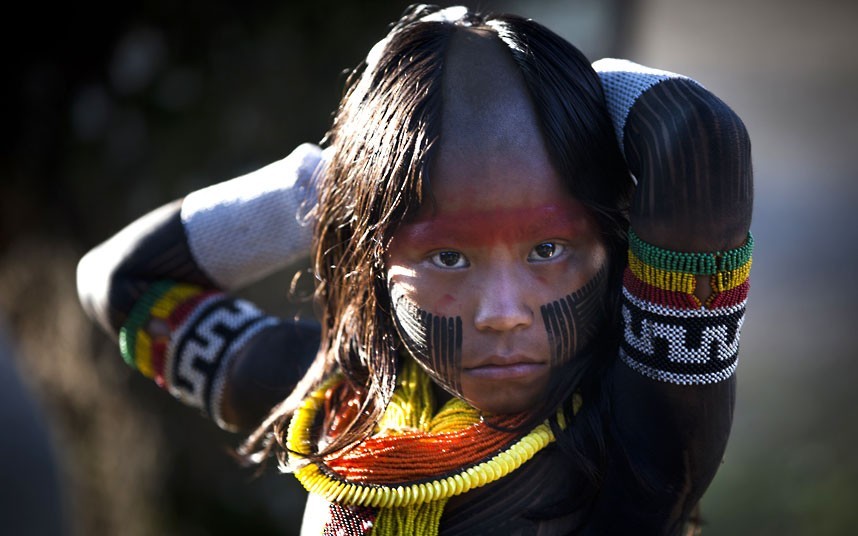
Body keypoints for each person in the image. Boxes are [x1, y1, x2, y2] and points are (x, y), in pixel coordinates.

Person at [76, 5, 753, 534]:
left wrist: (555, 88)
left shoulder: (643, 438)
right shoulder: (334, 407)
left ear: (611, 245)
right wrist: (344, 178)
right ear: (373, 257)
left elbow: (695, 136)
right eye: (447, 256)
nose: (503, 310)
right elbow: (120, 281)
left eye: (548, 249)